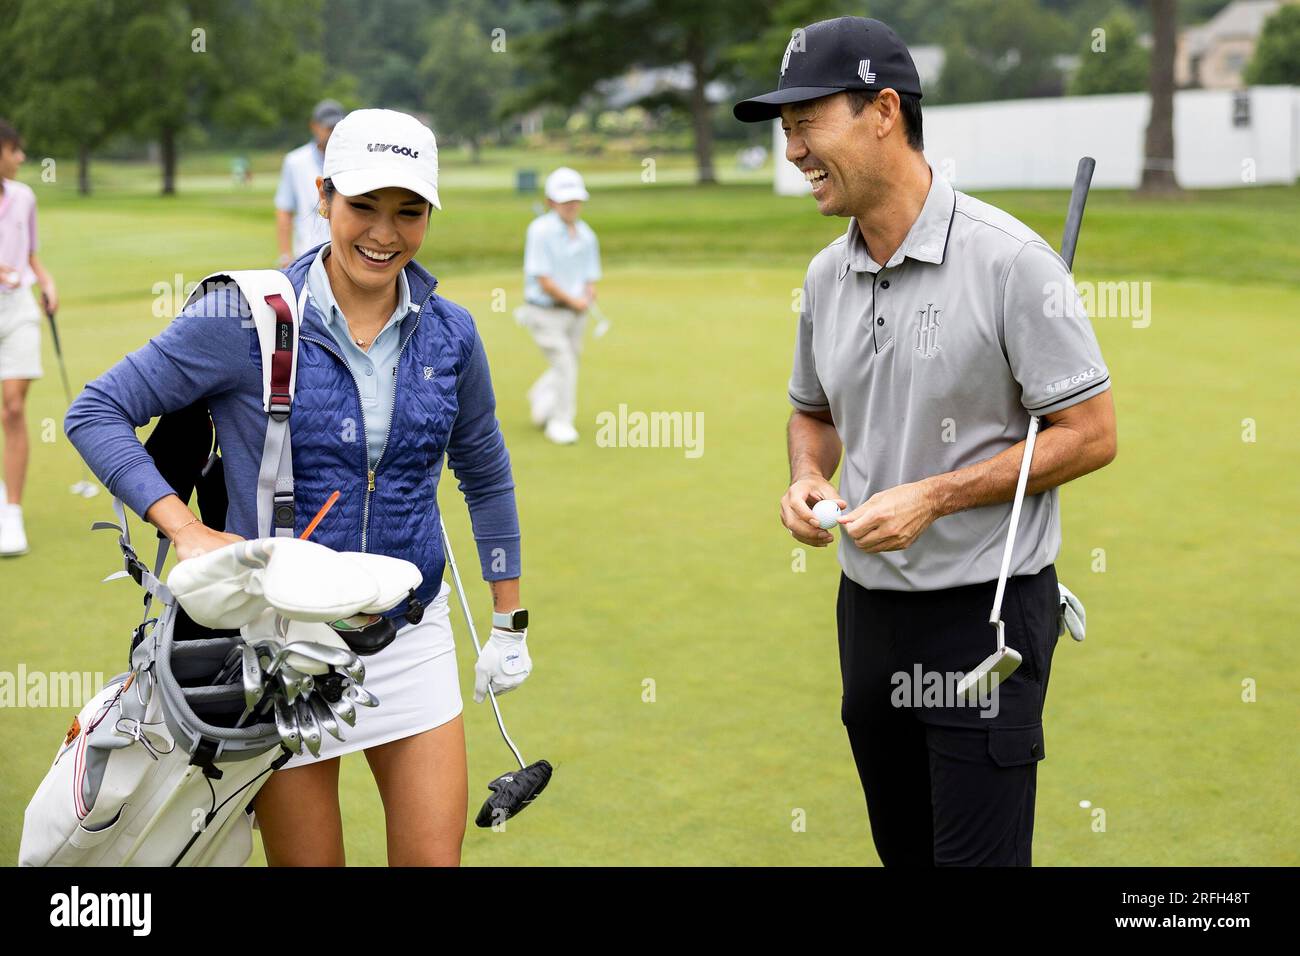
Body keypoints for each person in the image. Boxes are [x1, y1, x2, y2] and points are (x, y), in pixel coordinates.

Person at [66, 109, 534, 866]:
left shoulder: (451, 333)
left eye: (409, 212)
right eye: (364, 207)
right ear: (323, 196)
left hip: (410, 635)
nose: (385, 233)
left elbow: (483, 468)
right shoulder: (243, 317)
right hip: (279, 652)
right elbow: (96, 411)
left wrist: (508, 618)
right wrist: (184, 529)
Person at [735, 17, 1117, 866]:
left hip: (985, 616)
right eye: (786, 129)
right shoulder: (824, 274)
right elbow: (815, 413)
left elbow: (1089, 435)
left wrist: (937, 495)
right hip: (868, 615)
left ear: (882, 111)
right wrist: (806, 477)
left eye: (806, 123)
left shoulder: (1012, 262)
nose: (793, 150)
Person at [0, 118, 58, 557]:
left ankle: (12, 513)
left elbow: (32, 254)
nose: (21, 158)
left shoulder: (23, 197)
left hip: (18, 306)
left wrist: (46, 282)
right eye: (15, 150)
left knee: (14, 405)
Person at [521, 167, 601, 445]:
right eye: (565, 200)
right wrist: (575, 300)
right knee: (565, 363)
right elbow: (544, 280)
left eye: (575, 200)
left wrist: (588, 295)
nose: (571, 206)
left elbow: (590, 276)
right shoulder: (540, 231)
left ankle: (540, 394)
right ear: (551, 202)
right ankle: (560, 421)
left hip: (576, 313)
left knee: (570, 362)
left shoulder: (586, 234)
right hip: (544, 311)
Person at [275, 99, 345, 267]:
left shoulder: (351, 160)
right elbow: (285, 210)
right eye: (329, 128)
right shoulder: (295, 161)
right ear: (314, 126)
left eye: (337, 127)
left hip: (344, 256)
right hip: (306, 255)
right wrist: (285, 255)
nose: (333, 133)